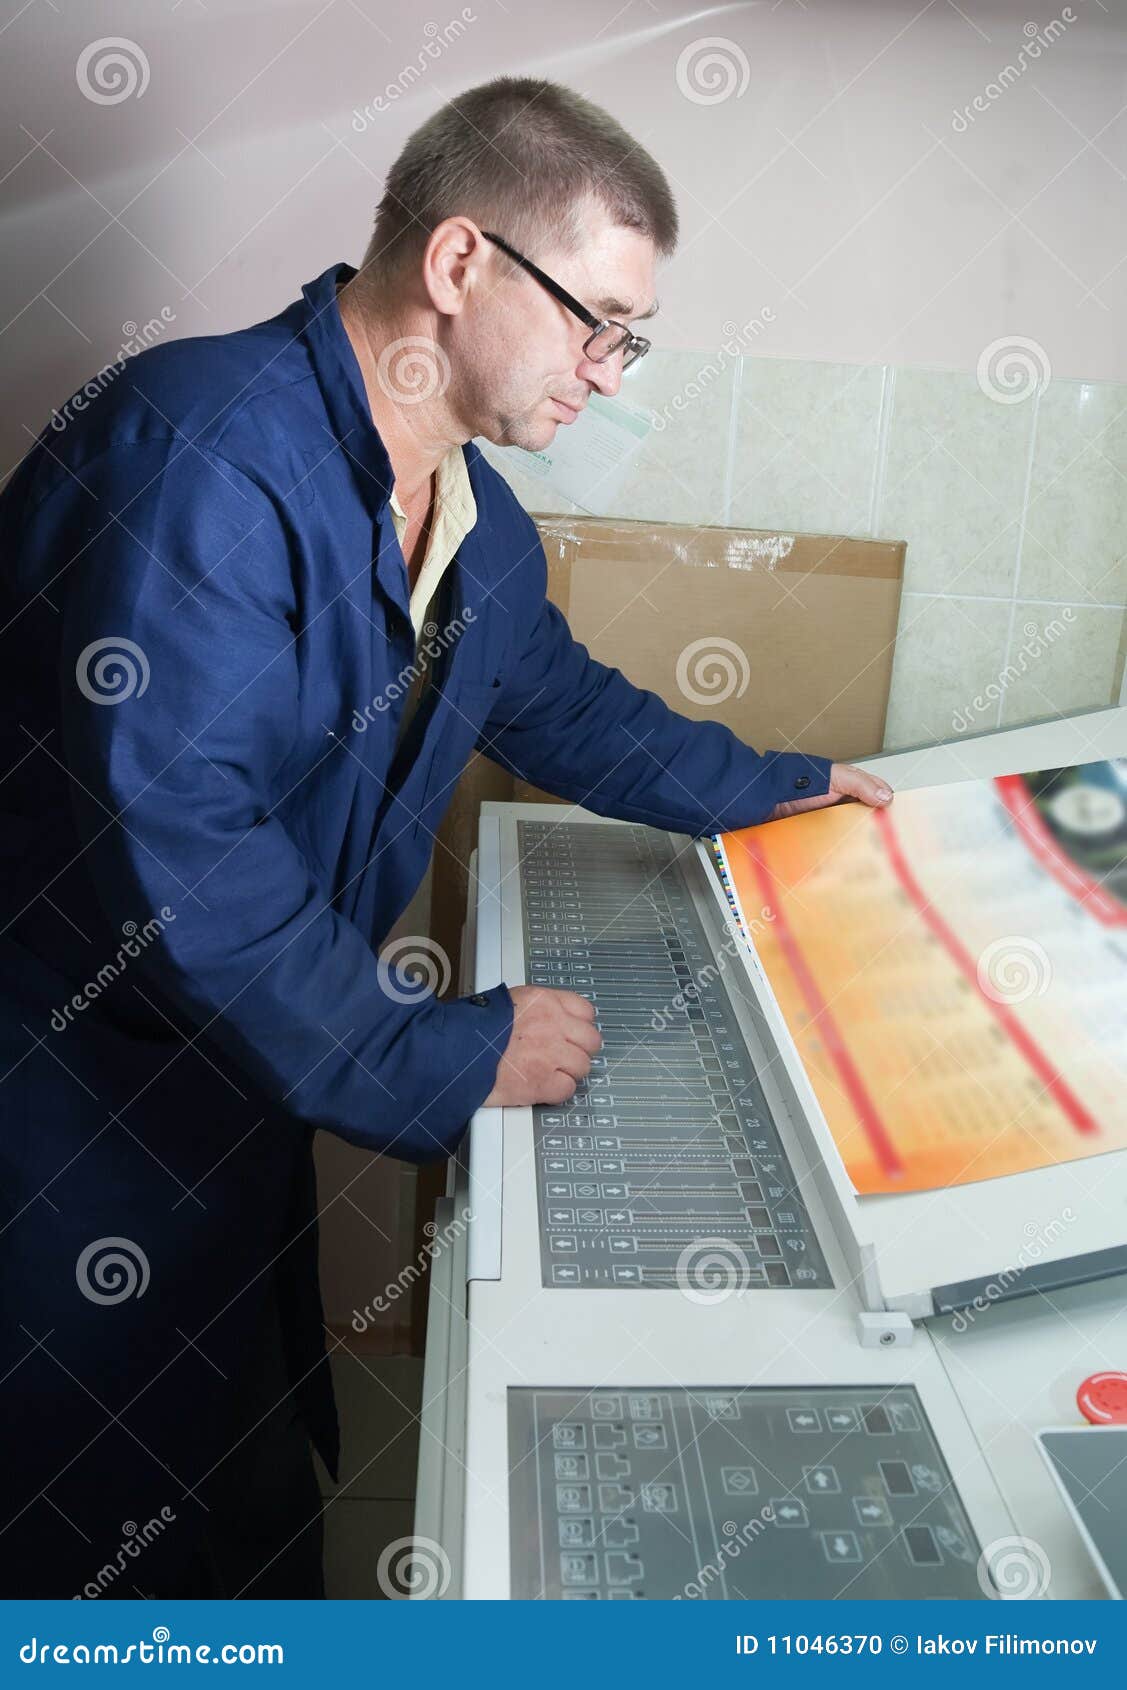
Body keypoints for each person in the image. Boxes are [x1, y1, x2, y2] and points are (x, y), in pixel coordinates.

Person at [0, 75, 893, 1598]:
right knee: (77, 1545)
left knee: (239, 1514)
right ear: (463, 263)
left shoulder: (473, 523)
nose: (613, 375)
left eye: (633, 338)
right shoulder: (197, 455)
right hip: (66, 1129)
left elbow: (573, 712)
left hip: (229, 1117)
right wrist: (449, 1053)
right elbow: (196, 874)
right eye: (599, 323)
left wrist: (784, 785)